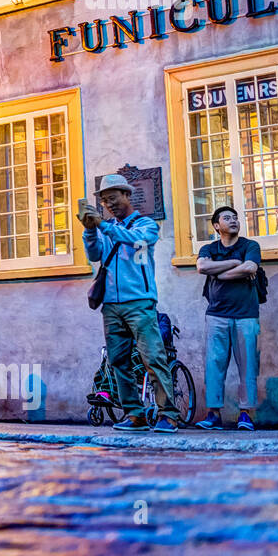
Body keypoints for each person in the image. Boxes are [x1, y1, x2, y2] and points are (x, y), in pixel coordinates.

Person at [82, 174, 180, 433]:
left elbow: (135, 240)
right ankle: (133, 413)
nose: (109, 204)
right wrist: (90, 230)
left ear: (127, 195)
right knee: (118, 361)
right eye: (104, 200)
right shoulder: (106, 228)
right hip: (111, 305)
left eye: (113, 198)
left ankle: (167, 414)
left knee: (153, 358)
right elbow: (94, 254)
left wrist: (102, 225)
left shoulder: (146, 225)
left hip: (140, 302)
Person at [195, 206, 261, 431]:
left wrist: (220, 273)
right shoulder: (208, 248)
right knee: (214, 364)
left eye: (235, 217)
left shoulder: (250, 246)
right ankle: (213, 414)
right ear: (216, 226)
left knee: (248, 365)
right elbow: (202, 266)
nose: (233, 221)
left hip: (246, 315)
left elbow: (251, 266)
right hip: (217, 315)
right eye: (227, 218)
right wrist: (234, 263)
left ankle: (246, 414)